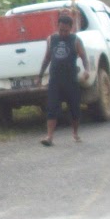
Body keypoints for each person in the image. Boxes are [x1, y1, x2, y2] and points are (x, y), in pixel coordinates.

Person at [38, 10, 89, 147]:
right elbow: (47, 58)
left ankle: (75, 133)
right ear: (57, 27)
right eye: (61, 30)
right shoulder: (51, 39)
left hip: (71, 80)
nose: (63, 33)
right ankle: (49, 137)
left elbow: (83, 56)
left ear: (70, 29)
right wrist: (40, 75)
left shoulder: (76, 40)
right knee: (52, 108)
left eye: (66, 31)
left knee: (74, 109)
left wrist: (87, 70)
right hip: (55, 80)